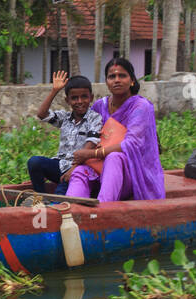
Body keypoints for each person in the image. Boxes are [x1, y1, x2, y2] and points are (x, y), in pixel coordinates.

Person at [65, 57, 166, 203]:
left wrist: (92, 154)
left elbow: (131, 144)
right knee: (80, 172)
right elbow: (90, 136)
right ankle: (71, 211)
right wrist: (76, 163)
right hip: (100, 168)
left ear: (132, 80)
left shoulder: (140, 107)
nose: (117, 80)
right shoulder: (100, 106)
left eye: (122, 75)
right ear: (106, 82)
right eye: (112, 76)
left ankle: (103, 210)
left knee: (114, 158)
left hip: (134, 173)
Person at [27, 71, 104, 194]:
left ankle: (55, 201)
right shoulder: (64, 117)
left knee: (59, 197)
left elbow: (89, 148)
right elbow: (42, 114)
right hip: (60, 165)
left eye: (84, 96)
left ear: (91, 97)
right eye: (74, 98)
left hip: (79, 169)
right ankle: (39, 197)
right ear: (67, 100)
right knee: (34, 162)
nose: (79, 101)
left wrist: (72, 169)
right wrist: (54, 90)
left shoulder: (95, 118)